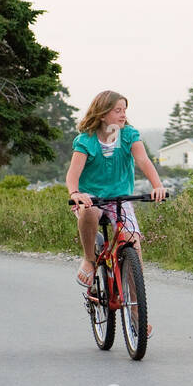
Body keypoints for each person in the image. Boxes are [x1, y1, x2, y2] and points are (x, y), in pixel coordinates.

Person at [65, 90, 167, 334]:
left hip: (121, 198)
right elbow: (72, 175)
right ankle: (90, 259)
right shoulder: (86, 140)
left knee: (133, 245)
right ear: (102, 114)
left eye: (125, 110)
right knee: (89, 213)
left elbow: (143, 161)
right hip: (93, 198)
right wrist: (75, 194)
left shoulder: (129, 135)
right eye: (117, 110)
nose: (123, 115)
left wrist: (157, 185)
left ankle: (135, 313)